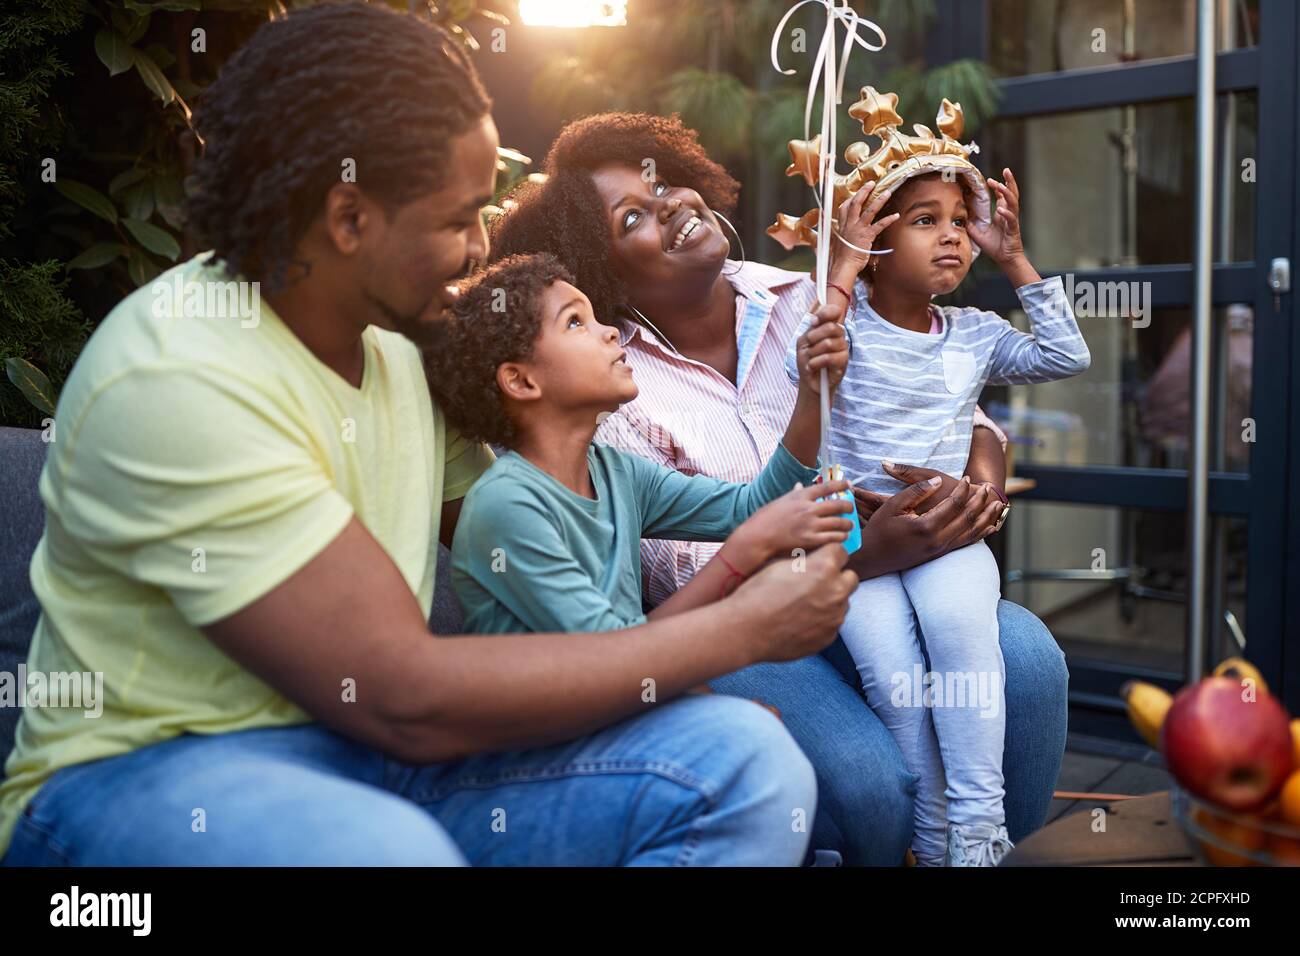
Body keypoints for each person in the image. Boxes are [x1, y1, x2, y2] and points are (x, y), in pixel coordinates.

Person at [0, 3, 856, 868]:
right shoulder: (182, 376)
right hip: (148, 772)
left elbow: (520, 530)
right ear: (349, 219)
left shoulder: (403, 352)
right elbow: (401, 696)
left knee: (743, 760)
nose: (479, 247)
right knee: (387, 851)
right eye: (458, 219)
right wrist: (742, 626)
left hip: (378, 761)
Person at [489, 110, 1071, 865]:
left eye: (666, 186)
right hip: (746, 625)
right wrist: (861, 555)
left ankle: (987, 852)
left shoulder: (809, 295)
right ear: (598, 268)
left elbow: (952, 403)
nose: (671, 205)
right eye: (631, 216)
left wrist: (978, 485)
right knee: (869, 785)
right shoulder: (609, 381)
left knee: (1029, 663)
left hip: (889, 578)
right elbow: (682, 568)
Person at [780, 91, 1090, 865]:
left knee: (964, 640)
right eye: (925, 220)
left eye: (960, 220)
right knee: (894, 676)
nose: (953, 235)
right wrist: (843, 264)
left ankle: (980, 831)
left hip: (947, 537)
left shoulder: (976, 335)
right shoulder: (844, 324)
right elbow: (808, 356)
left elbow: (1067, 355)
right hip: (855, 540)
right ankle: (930, 833)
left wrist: (1014, 258)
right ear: (878, 241)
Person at [430, 252, 851, 649]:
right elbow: (614, 654)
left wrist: (813, 393)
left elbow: (752, 506)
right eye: (575, 322)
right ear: (522, 382)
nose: (610, 331)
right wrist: (741, 555)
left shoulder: (616, 473)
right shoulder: (508, 506)